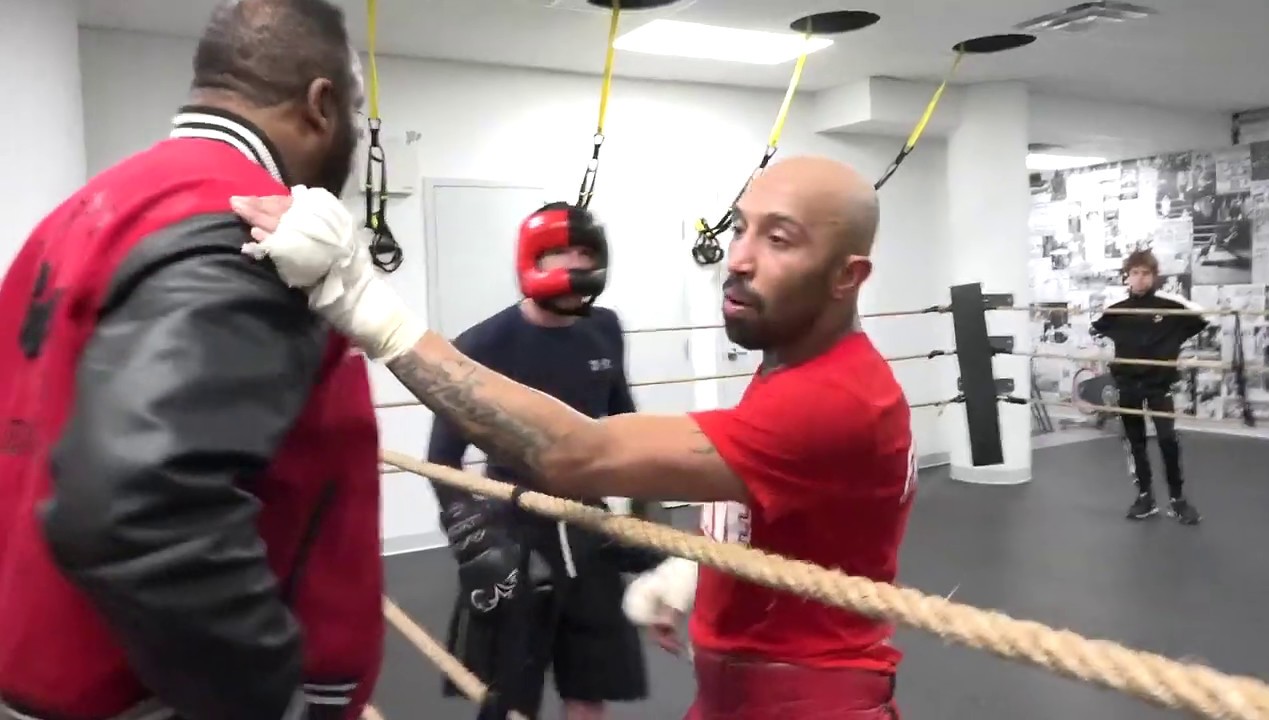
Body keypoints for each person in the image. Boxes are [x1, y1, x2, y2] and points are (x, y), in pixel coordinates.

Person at [233, 154, 918, 719]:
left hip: (804, 700)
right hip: (733, 680)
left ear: (847, 277)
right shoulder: (800, 373)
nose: (738, 258)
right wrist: (702, 567)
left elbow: (584, 451)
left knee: (588, 685)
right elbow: (793, 504)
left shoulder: (833, 400)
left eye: (780, 239)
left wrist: (363, 303)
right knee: (510, 691)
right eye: (740, 228)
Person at [0, 2, 383, 720]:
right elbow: (137, 509)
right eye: (356, 118)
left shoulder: (91, 208)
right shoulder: (251, 229)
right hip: (152, 696)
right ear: (321, 105)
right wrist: (271, 705)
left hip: (47, 670)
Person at [430, 202, 663, 720]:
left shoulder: (605, 328)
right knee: (509, 698)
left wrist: (643, 515)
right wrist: (475, 540)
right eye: (564, 252)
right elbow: (441, 458)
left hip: (588, 525)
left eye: (586, 253)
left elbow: (624, 425)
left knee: (591, 689)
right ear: (534, 259)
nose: (579, 265)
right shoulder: (483, 344)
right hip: (514, 529)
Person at [1091, 249, 1206, 524]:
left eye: (1145, 273)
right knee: (1135, 442)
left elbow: (1200, 321)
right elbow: (1097, 328)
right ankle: (1145, 497)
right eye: (1135, 273)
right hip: (1128, 385)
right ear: (1127, 277)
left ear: (1154, 276)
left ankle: (1177, 500)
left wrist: (1171, 346)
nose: (1140, 278)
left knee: (1168, 440)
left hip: (1158, 386)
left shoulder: (1170, 307)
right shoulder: (1117, 311)